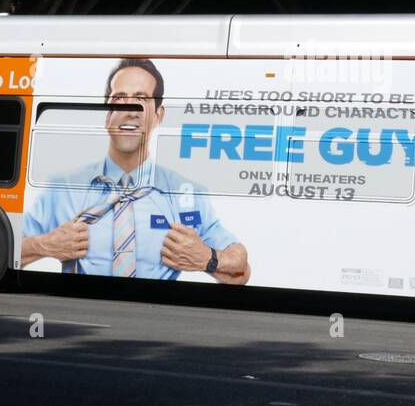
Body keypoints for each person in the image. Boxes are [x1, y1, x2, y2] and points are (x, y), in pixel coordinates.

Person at [21, 58, 250, 284]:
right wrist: (43, 245)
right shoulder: (63, 188)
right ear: (106, 113)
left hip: (152, 314)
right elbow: (11, 250)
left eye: (140, 99)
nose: (129, 110)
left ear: (158, 115)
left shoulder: (184, 193)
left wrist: (209, 259)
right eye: (119, 97)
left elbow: (241, 272)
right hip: (80, 308)